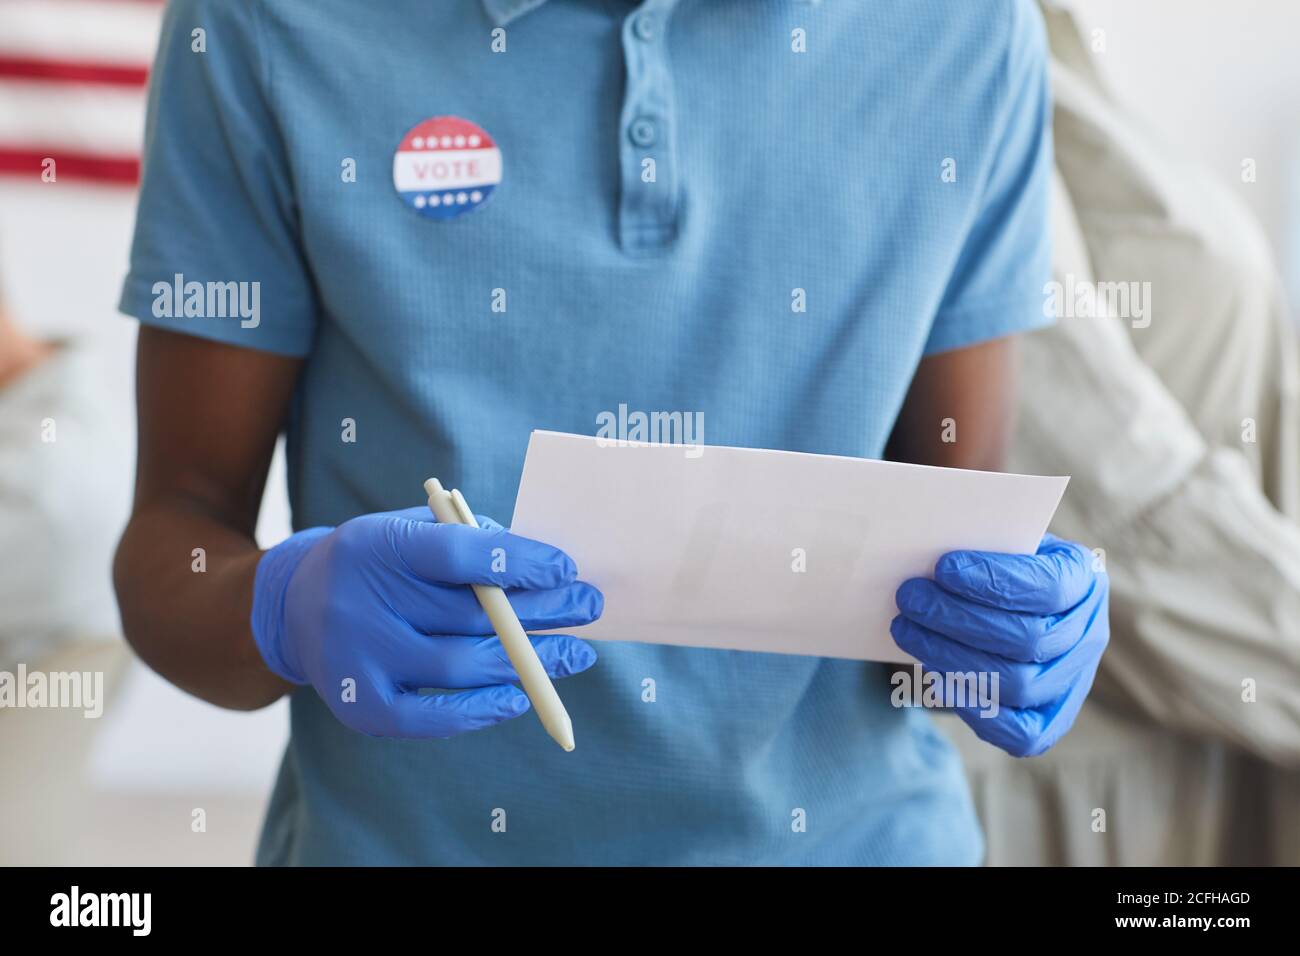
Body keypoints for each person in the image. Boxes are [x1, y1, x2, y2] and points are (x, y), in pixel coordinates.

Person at [113, 0, 1108, 865]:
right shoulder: (257, 22)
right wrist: (279, 610)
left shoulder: (969, 31)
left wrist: (1008, 636)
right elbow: (177, 529)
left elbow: (940, 560)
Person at [940, 2, 1300, 866]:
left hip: (1213, 724)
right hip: (1083, 787)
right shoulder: (936, 44)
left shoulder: (1052, 35)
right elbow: (1107, 506)